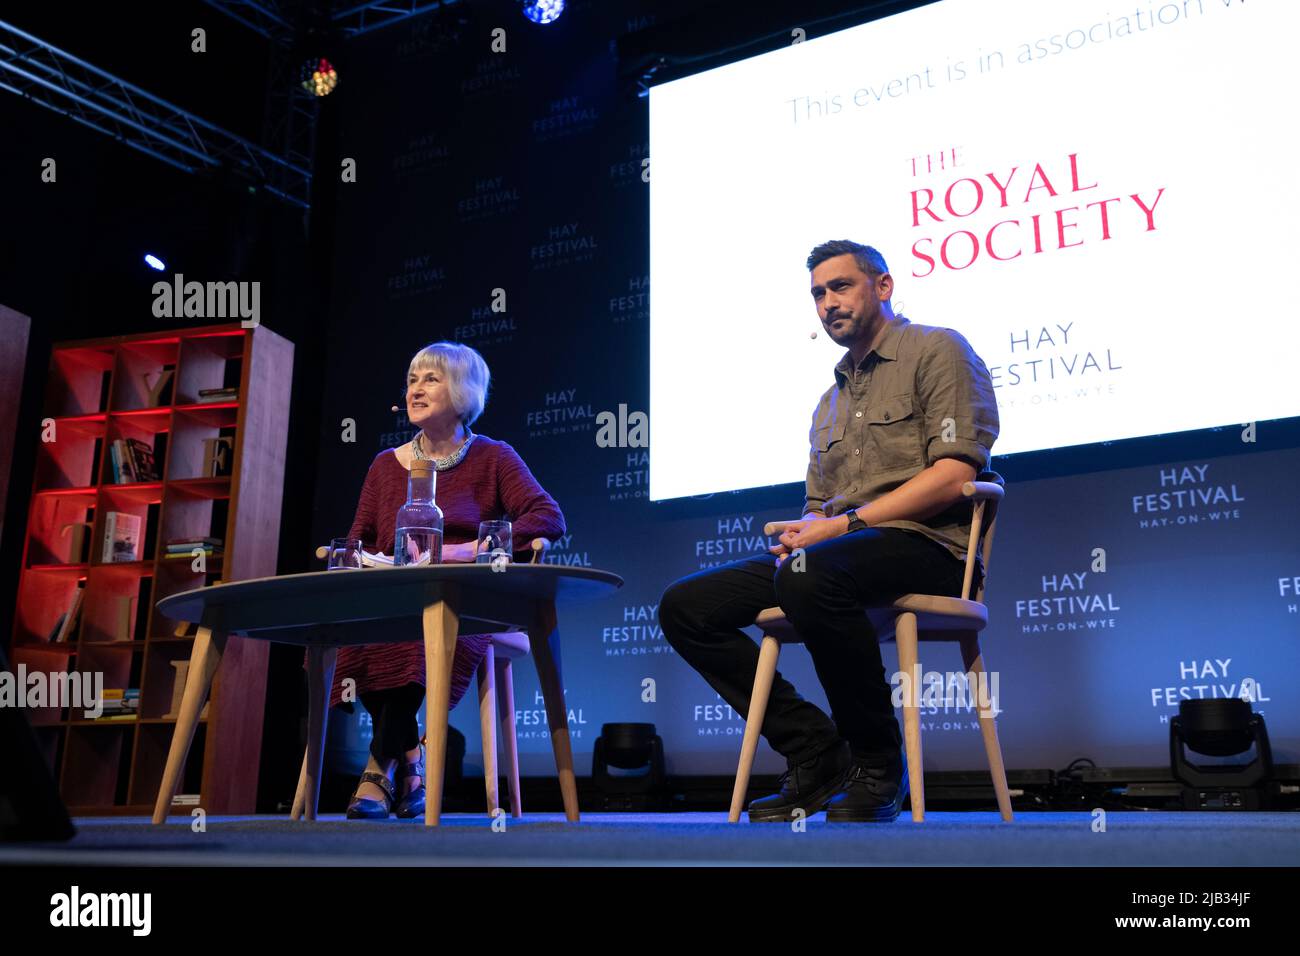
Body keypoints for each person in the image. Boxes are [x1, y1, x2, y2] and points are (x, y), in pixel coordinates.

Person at [659, 240, 999, 823]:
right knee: (686, 607)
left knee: (809, 575)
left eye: (840, 287)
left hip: (930, 546)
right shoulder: (828, 402)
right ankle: (816, 751)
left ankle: (878, 761)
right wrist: (810, 528)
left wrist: (841, 525)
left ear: (883, 286)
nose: (827, 303)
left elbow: (954, 475)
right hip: (841, 553)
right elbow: (819, 506)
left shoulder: (937, 350)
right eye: (818, 294)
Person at [330, 341, 565, 819]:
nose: (415, 390)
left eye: (430, 379)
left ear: (462, 392)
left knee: (419, 631)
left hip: (468, 600)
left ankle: (378, 768)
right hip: (396, 595)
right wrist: (371, 561)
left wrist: (467, 549)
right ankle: (411, 763)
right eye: (412, 380)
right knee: (362, 632)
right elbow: (357, 540)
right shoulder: (385, 465)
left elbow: (547, 517)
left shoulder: (494, 457)